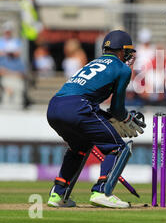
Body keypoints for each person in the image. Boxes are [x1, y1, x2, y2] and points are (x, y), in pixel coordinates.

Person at [46, 30, 146, 208]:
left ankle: (58, 194)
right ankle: (102, 192)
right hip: (78, 107)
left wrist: (108, 118)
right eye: (128, 51)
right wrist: (126, 118)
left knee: (79, 147)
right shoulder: (123, 69)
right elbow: (117, 109)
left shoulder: (94, 62)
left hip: (54, 106)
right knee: (117, 148)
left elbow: (93, 103)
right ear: (122, 51)